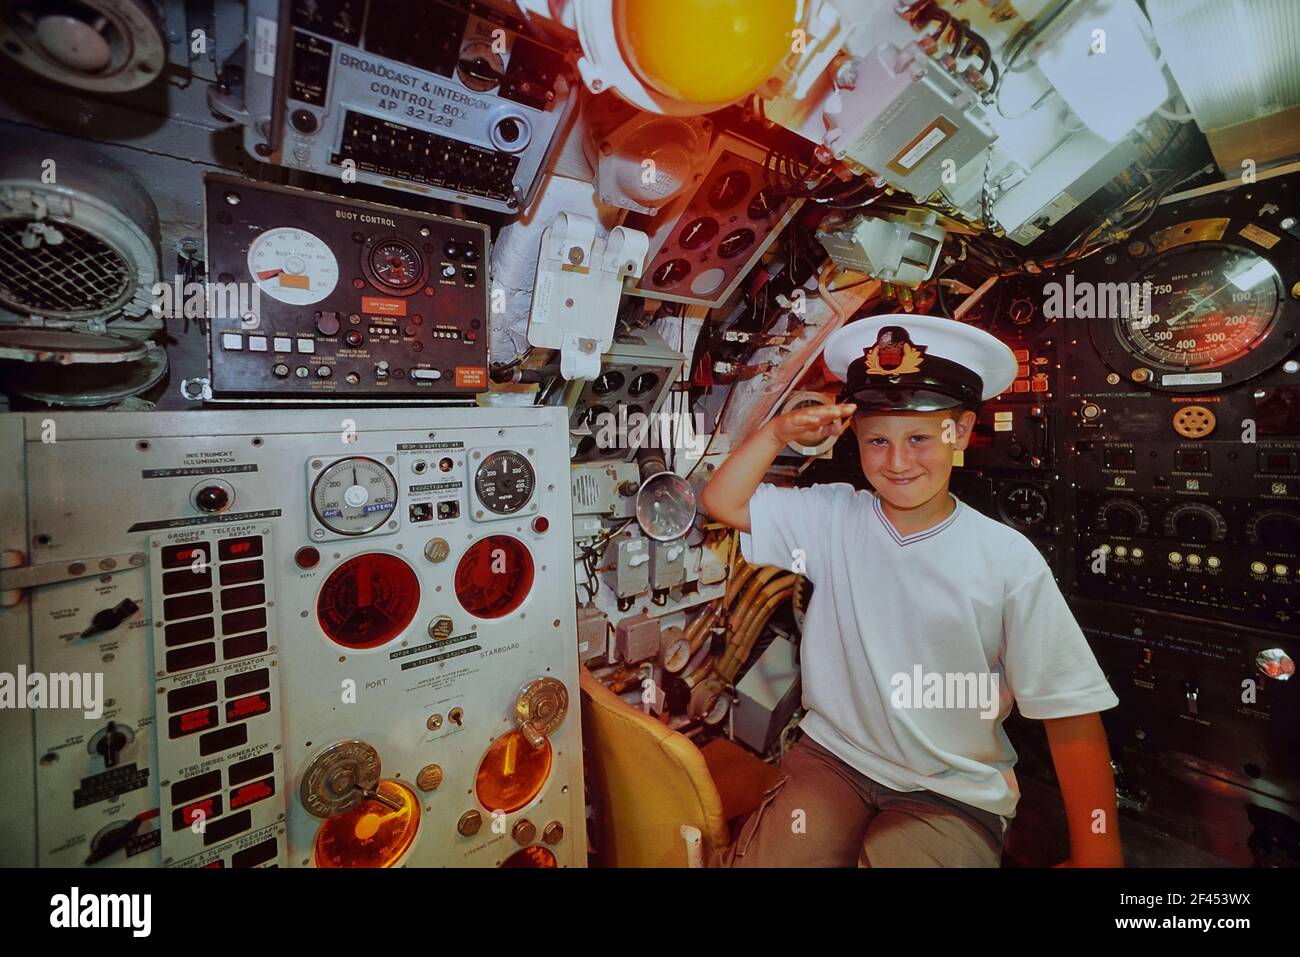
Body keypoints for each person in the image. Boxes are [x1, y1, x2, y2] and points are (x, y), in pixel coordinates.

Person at [699, 314, 1123, 868]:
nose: (896, 462)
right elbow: (722, 503)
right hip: (834, 758)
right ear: (856, 438)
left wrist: (1099, 852)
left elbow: (1069, 711)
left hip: (949, 788)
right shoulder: (834, 517)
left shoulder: (1005, 559)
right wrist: (776, 432)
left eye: (919, 438)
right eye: (878, 440)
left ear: (961, 433)